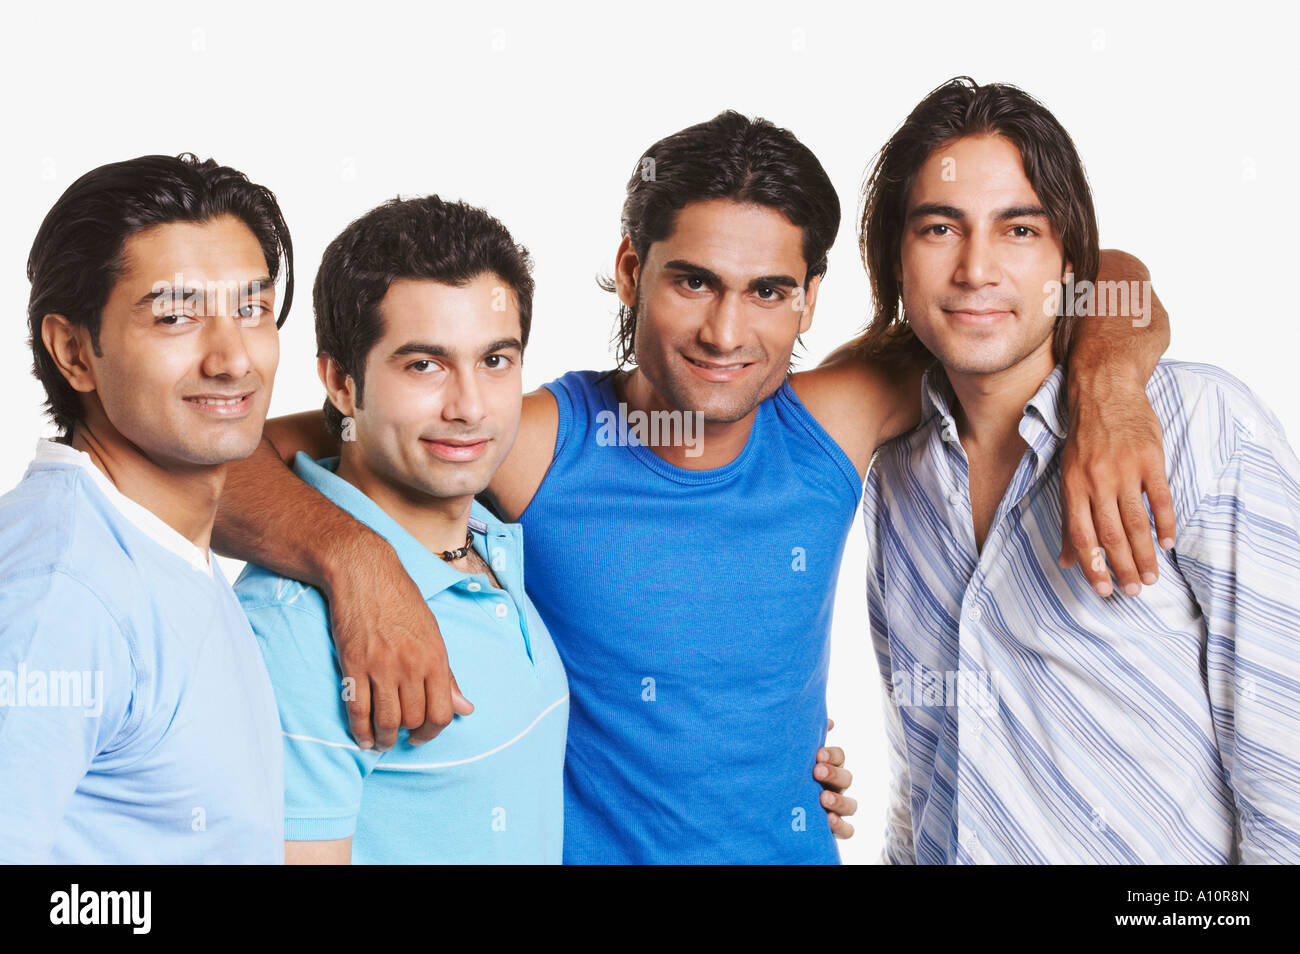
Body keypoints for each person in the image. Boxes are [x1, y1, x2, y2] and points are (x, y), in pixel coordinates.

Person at [212, 111, 1171, 863]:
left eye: (767, 292)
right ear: (632, 272)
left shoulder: (836, 416)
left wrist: (1113, 385)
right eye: (693, 283)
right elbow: (230, 457)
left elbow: (1099, 277)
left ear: (808, 300)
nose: (726, 333)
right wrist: (354, 558)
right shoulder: (535, 440)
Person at [861, 77, 1300, 863]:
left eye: (1020, 230)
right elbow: (919, 771)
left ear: (1070, 260)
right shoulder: (894, 478)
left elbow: (1288, 776)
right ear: (895, 260)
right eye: (938, 228)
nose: (977, 269)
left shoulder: (1200, 426)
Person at [234, 195, 569, 863]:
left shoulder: (487, 531)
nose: (470, 407)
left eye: (495, 361)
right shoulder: (295, 632)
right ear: (341, 383)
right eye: (424, 365)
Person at [0, 154, 292, 862]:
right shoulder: (62, 593)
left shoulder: (155, 547)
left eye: (251, 309)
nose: (232, 359)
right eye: (175, 316)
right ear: (74, 352)